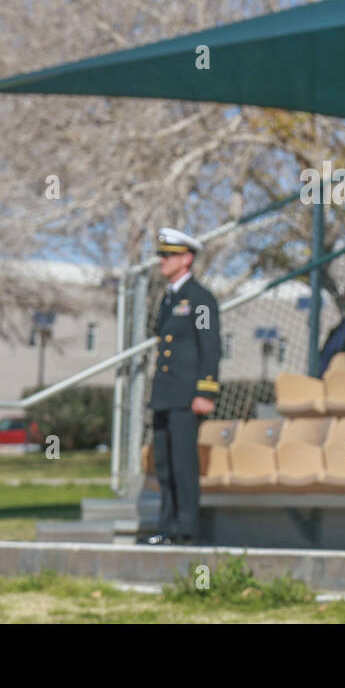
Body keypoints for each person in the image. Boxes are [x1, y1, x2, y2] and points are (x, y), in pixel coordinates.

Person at [143, 227, 221, 546]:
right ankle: (166, 525)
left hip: (187, 395)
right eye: (161, 255)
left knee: (183, 463)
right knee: (164, 463)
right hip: (165, 394)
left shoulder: (200, 299)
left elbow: (210, 346)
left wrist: (205, 390)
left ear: (186, 259)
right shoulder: (169, 299)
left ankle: (186, 528)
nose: (162, 261)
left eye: (168, 255)